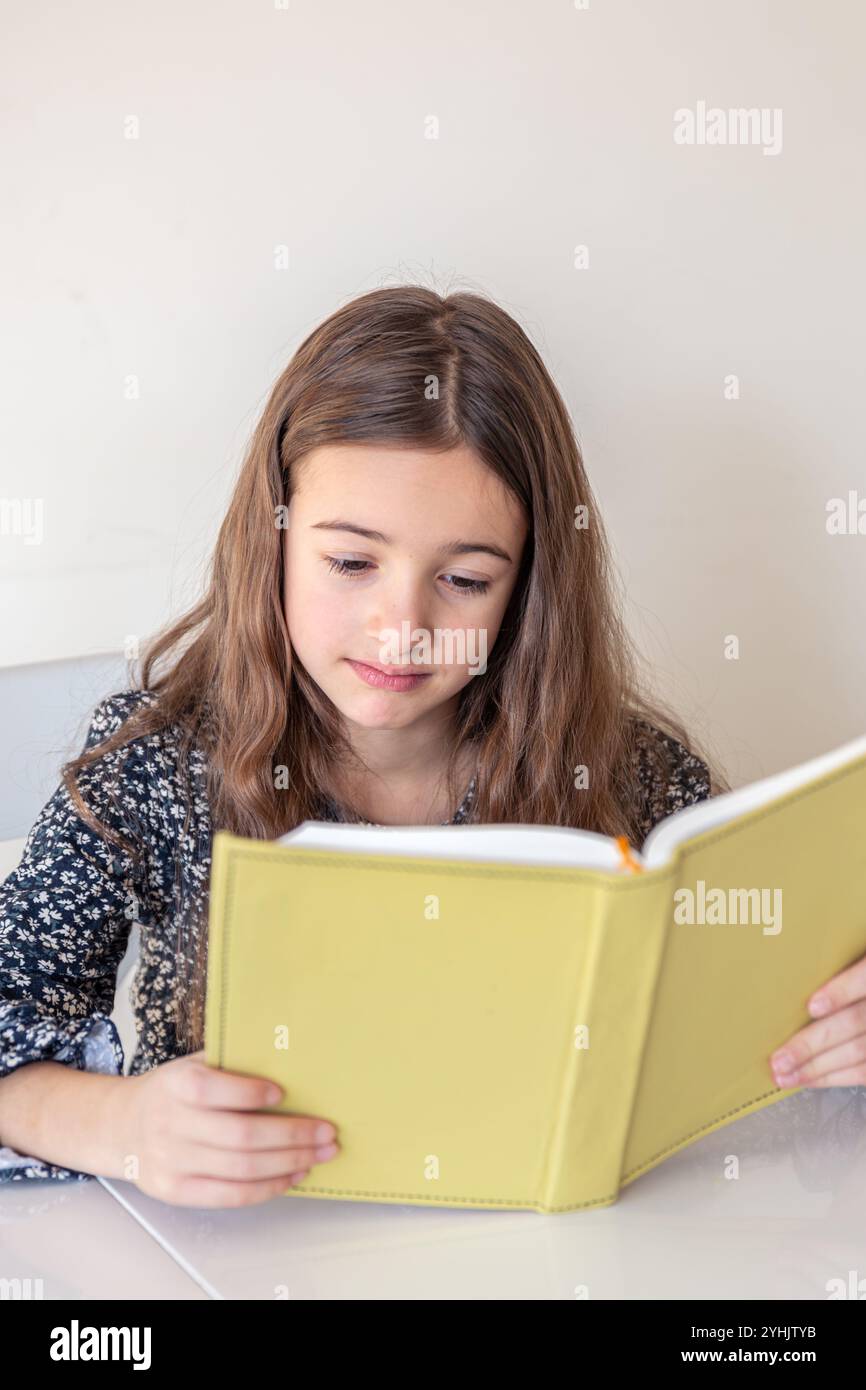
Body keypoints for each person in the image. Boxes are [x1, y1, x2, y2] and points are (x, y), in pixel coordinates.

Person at [0, 285, 727, 1208]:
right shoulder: (157, 766)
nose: (402, 629)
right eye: (350, 563)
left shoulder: (633, 776)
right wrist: (122, 1127)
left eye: (464, 579)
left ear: (528, 592)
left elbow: (742, 1020)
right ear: (273, 539)